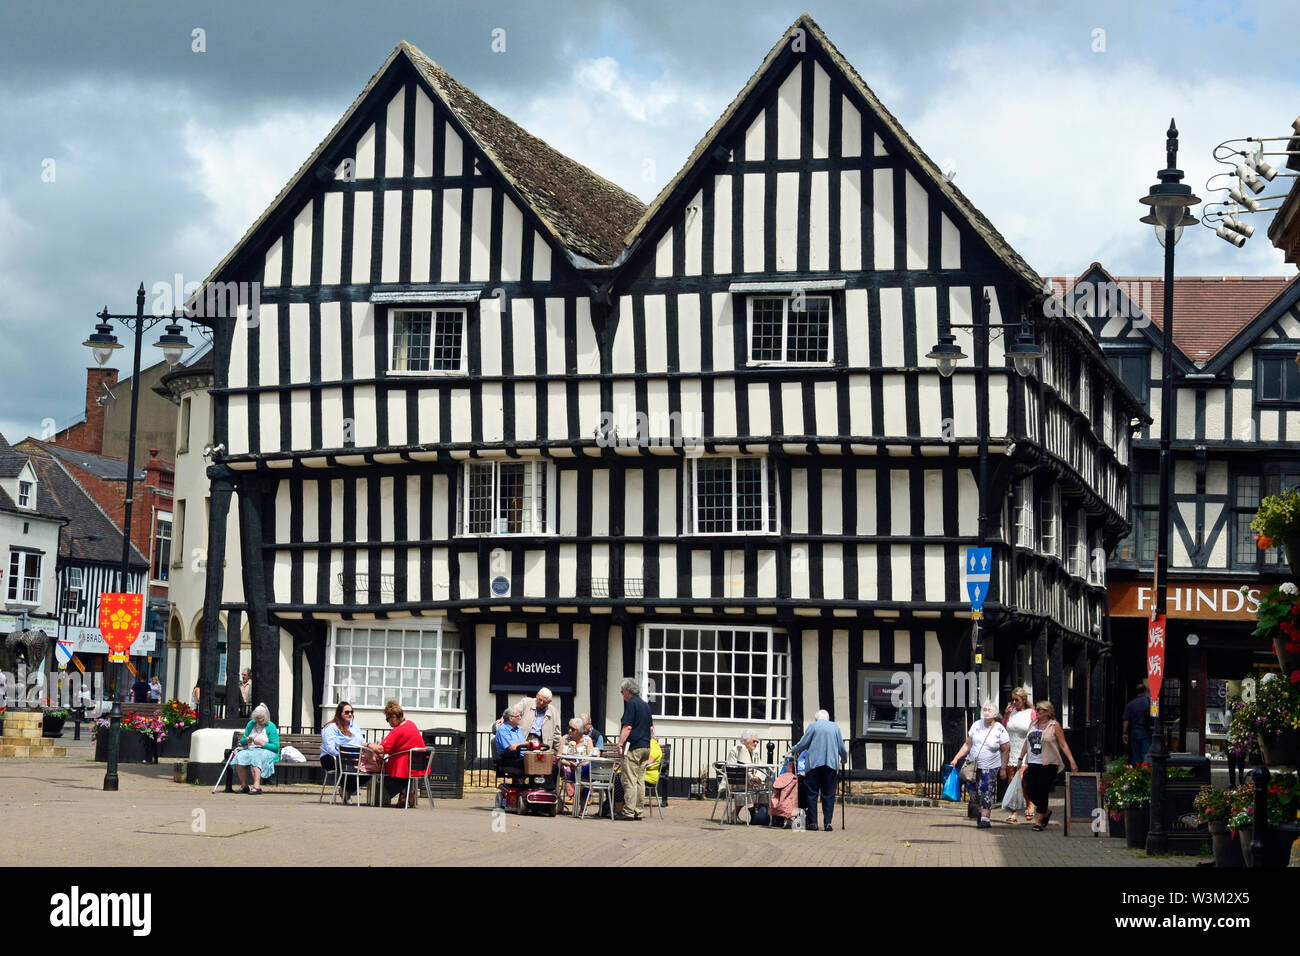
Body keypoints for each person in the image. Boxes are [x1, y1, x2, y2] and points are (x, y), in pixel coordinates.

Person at [1018, 700, 1079, 831]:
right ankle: (1045, 812)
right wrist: (1020, 757)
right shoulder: (1033, 724)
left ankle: (1039, 821)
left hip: (1048, 763)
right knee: (1029, 789)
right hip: (1033, 762)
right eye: (1036, 709)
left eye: (1039, 710)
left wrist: (1072, 761)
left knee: (1042, 791)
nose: (1037, 712)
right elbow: (1026, 742)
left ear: (1047, 712)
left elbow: (1063, 744)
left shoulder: (1054, 725)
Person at [950, 703, 1011, 829]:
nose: (987, 712)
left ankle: (985, 818)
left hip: (991, 767)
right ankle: (980, 810)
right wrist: (956, 758)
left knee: (986, 791)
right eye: (985, 709)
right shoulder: (976, 725)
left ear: (994, 714)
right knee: (972, 790)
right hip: (972, 765)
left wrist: (1003, 768)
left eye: (989, 710)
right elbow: (968, 744)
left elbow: (1006, 750)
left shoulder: (1000, 729)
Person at [791, 709, 848, 830]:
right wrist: (844, 760)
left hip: (814, 765)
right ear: (828, 718)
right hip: (831, 765)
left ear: (816, 719)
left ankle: (813, 823)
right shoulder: (835, 727)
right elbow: (842, 748)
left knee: (812, 794)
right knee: (828, 794)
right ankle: (828, 823)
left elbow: (803, 744)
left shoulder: (813, 726)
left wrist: (793, 749)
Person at [616, 678, 654, 821]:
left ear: (627, 691)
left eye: (622, 692)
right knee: (640, 780)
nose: (622, 694)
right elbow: (651, 729)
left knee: (630, 780)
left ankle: (629, 812)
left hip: (635, 746)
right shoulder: (645, 705)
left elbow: (628, 727)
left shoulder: (631, 704)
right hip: (646, 746)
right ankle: (639, 811)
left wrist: (620, 744)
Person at [320, 701, 365, 802]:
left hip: (353, 758)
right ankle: (346, 792)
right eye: (347, 712)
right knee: (348, 764)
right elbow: (329, 747)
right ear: (339, 713)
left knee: (369, 768)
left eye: (351, 712)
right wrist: (344, 756)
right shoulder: (331, 727)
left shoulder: (355, 727)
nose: (350, 714)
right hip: (331, 757)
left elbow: (362, 743)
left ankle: (347, 790)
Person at [232, 703, 280, 794]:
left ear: (265, 717)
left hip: (267, 751)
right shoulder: (251, 724)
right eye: (257, 719)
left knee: (256, 757)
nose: (259, 721)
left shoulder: (271, 726)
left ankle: (257, 787)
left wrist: (263, 744)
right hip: (252, 749)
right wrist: (247, 740)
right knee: (239, 756)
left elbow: (276, 747)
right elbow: (242, 741)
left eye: (261, 719)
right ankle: (244, 786)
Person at [1002, 687, 1034, 823]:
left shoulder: (1031, 712)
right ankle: (1014, 812)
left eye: (1017, 700)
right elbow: (1004, 728)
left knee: (1021, 780)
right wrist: (1006, 715)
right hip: (1012, 749)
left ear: (1023, 700)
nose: (1014, 702)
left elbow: (1035, 729)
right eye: (1013, 700)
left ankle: (1030, 804)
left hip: (1025, 749)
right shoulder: (1011, 712)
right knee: (1011, 781)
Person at [722, 729, 768, 824]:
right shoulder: (736, 750)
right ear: (745, 741)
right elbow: (734, 768)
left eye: (757, 741)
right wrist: (749, 779)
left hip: (749, 780)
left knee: (764, 788)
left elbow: (761, 766)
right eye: (753, 741)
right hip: (734, 781)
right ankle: (739, 814)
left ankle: (759, 815)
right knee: (746, 787)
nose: (756, 743)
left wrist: (758, 777)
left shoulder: (755, 751)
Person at [558, 717, 596, 802]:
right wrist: (570, 764)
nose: (570, 731)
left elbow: (591, 758)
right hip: (568, 767)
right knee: (586, 779)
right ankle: (582, 806)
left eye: (573, 729)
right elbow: (559, 757)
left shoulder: (587, 740)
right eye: (569, 728)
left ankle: (577, 798)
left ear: (580, 731)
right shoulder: (565, 738)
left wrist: (580, 765)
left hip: (583, 767)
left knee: (586, 773)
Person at [1121, 681, 1152, 767]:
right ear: (1145, 691)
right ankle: (1146, 771)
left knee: (1136, 754)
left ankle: (1137, 772)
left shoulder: (1130, 704)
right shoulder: (1149, 702)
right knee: (1146, 752)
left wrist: (1124, 733)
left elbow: (1126, 720)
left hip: (1134, 731)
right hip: (1146, 731)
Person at [494, 705, 527, 773]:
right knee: (532, 762)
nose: (520, 718)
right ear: (511, 718)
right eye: (518, 716)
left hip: (522, 757)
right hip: (509, 759)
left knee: (549, 764)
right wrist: (526, 743)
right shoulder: (503, 730)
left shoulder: (518, 729)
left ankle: (540, 783)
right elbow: (512, 747)